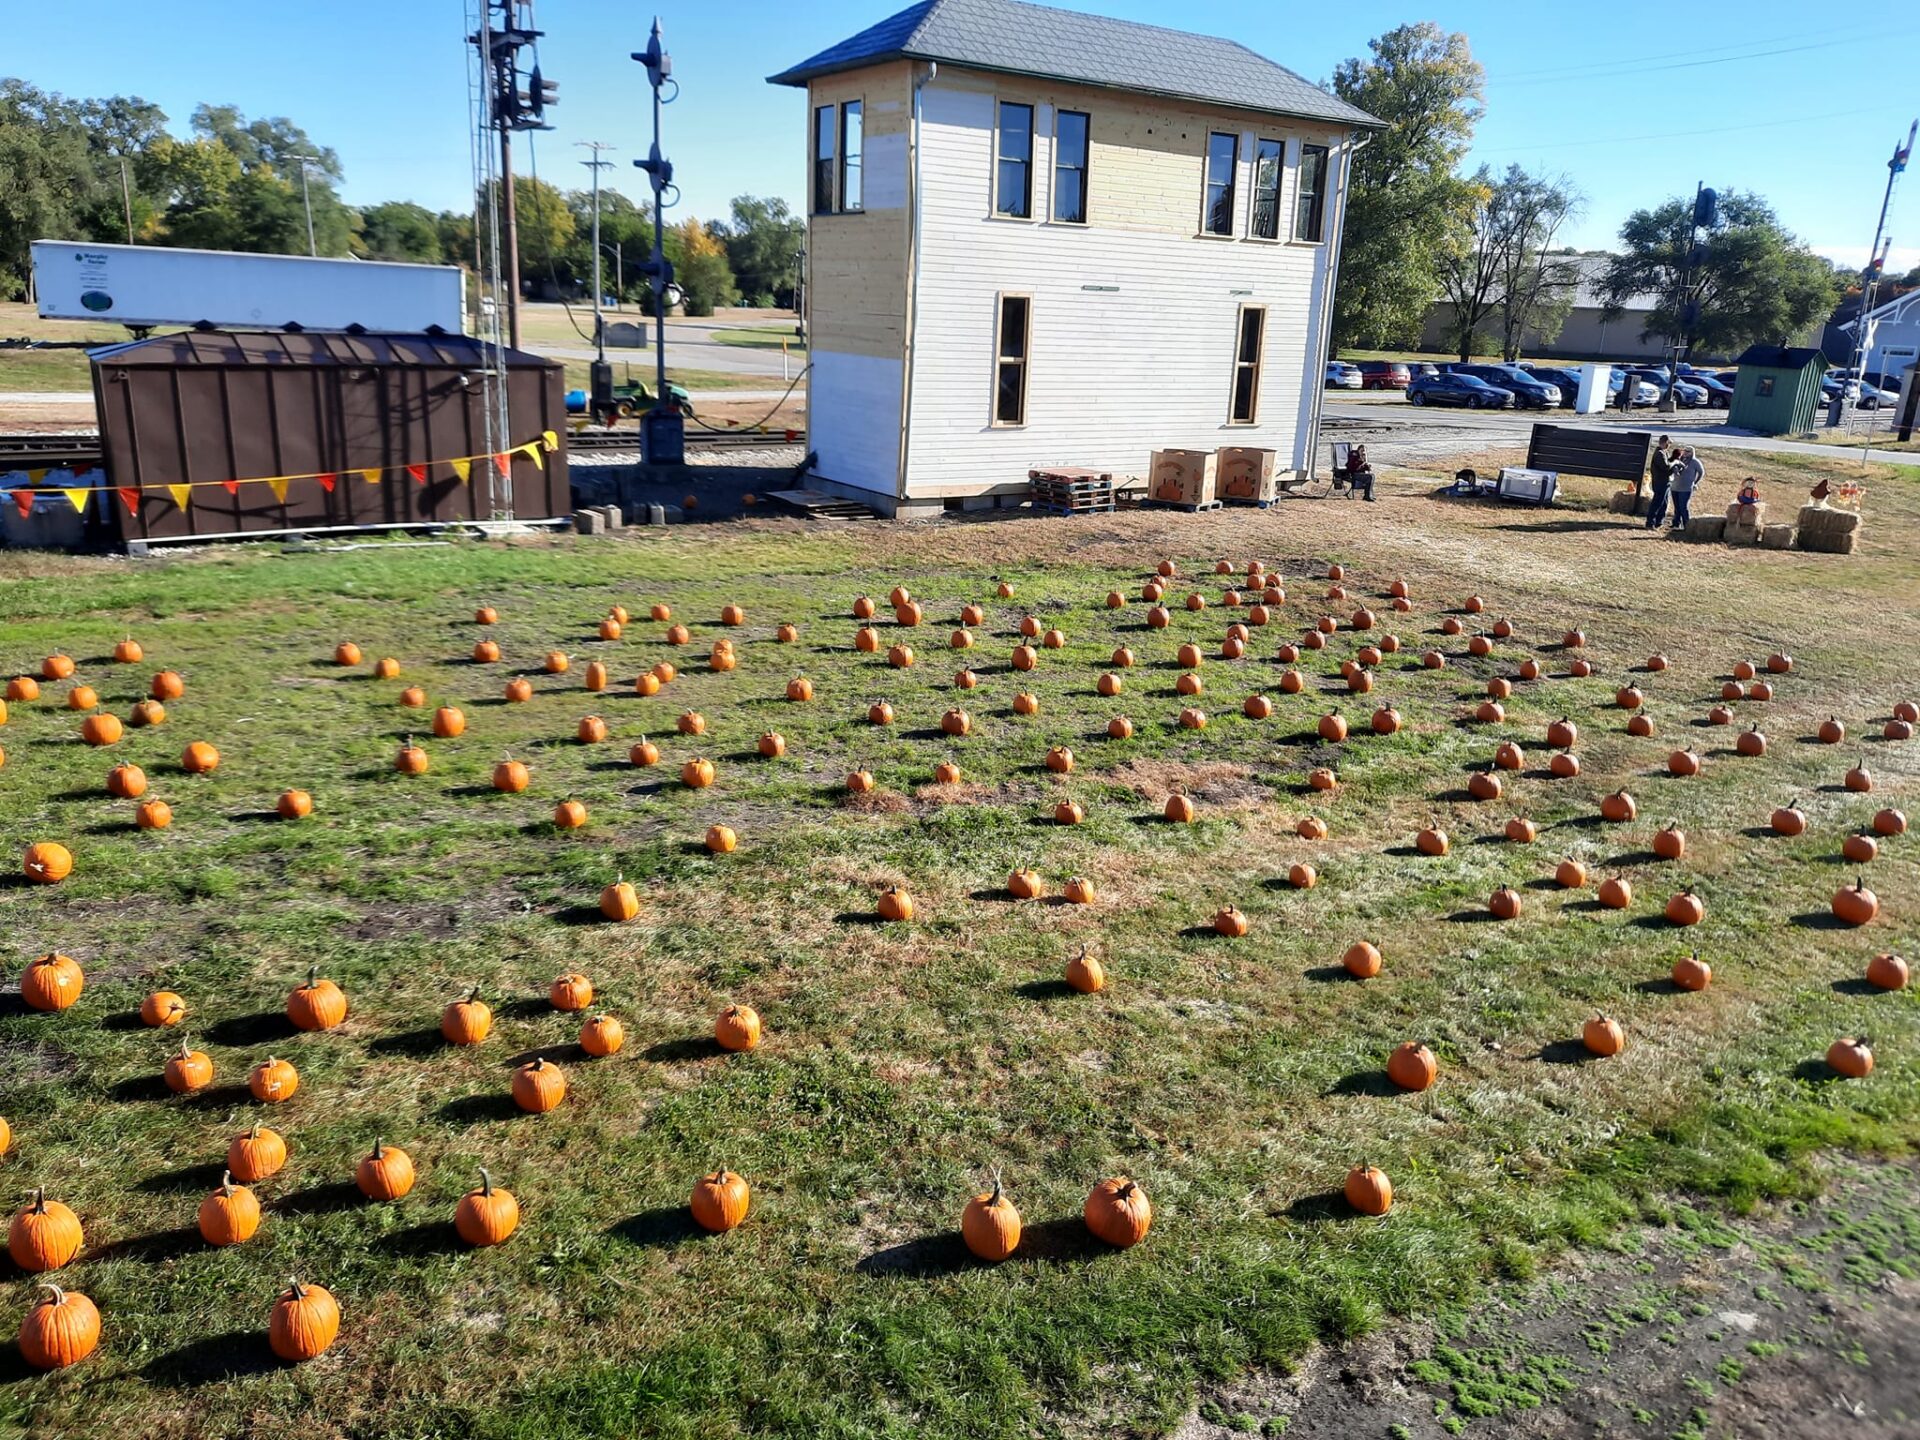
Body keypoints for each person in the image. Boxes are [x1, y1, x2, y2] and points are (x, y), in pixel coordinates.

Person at [1668, 446, 1704, 530]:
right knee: (1677, 507)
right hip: (1675, 486)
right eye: (1684, 451)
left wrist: (1695, 482)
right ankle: (1676, 523)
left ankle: (1687, 525)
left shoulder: (1695, 462)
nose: (1685, 453)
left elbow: (1701, 472)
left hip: (1686, 488)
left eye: (1688, 451)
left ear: (1692, 453)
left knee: (1683, 507)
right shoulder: (1679, 460)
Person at [1643, 436, 1673, 523]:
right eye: (1668, 443)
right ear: (1665, 442)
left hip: (1666, 481)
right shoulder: (1659, 454)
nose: (1669, 445)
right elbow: (1665, 466)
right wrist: (1674, 463)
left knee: (1664, 502)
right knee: (1658, 502)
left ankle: (1659, 522)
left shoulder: (1665, 453)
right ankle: (1650, 521)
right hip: (1660, 481)